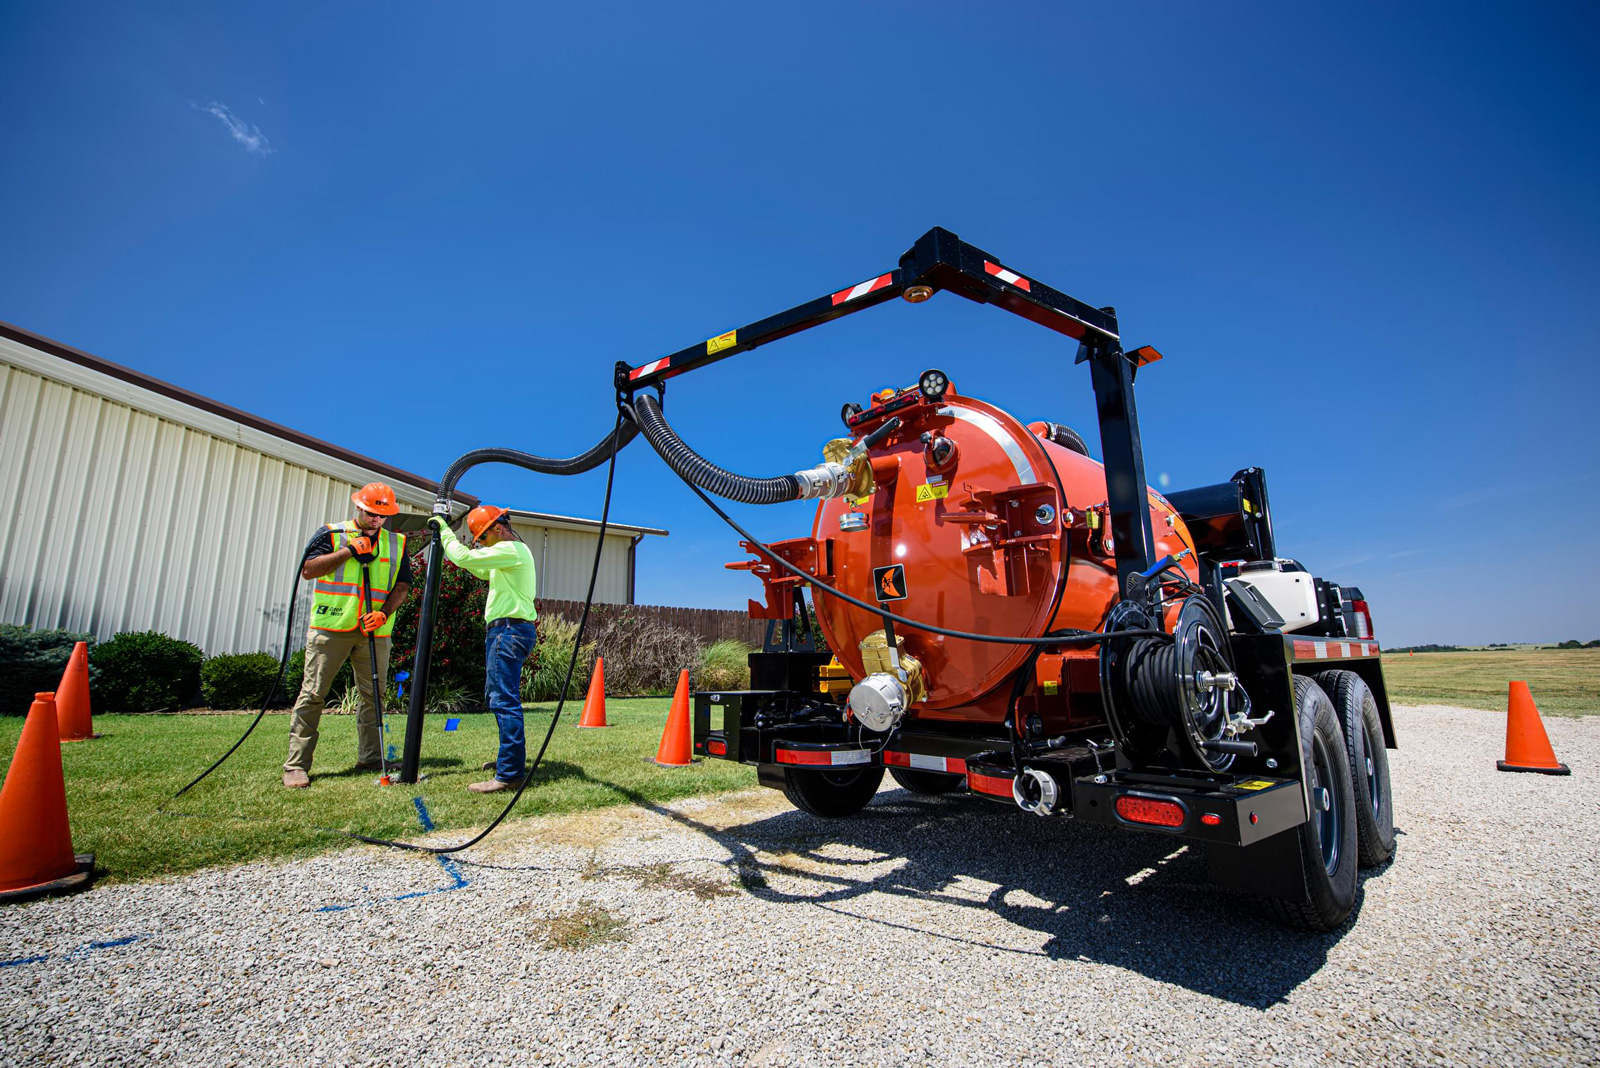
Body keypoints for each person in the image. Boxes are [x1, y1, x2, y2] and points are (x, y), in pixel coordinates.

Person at [282, 482, 412, 788]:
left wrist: (384, 613)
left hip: (375, 631)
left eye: (382, 515)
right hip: (331, 628)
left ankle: (370, 756)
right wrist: (348, 551)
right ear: (359, 507)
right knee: (313, 694)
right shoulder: (331, 534)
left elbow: (403, 586)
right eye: (371, 513)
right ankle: (296, 766)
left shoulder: (397, 543)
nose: (376, 520)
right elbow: (309, 570)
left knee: (373, 698)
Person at [428, 505, 538, 793]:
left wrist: (444, 529)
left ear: (497, 529)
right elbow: (477, 567)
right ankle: (508, 763)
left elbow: (464, 557)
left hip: (508, 631)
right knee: (500, 699)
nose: (483, 544)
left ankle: (510, 774)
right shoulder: (508, 557)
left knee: (504, 701)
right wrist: (462, 553)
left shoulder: (512, 551)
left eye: (484, 539)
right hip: (507, 631)